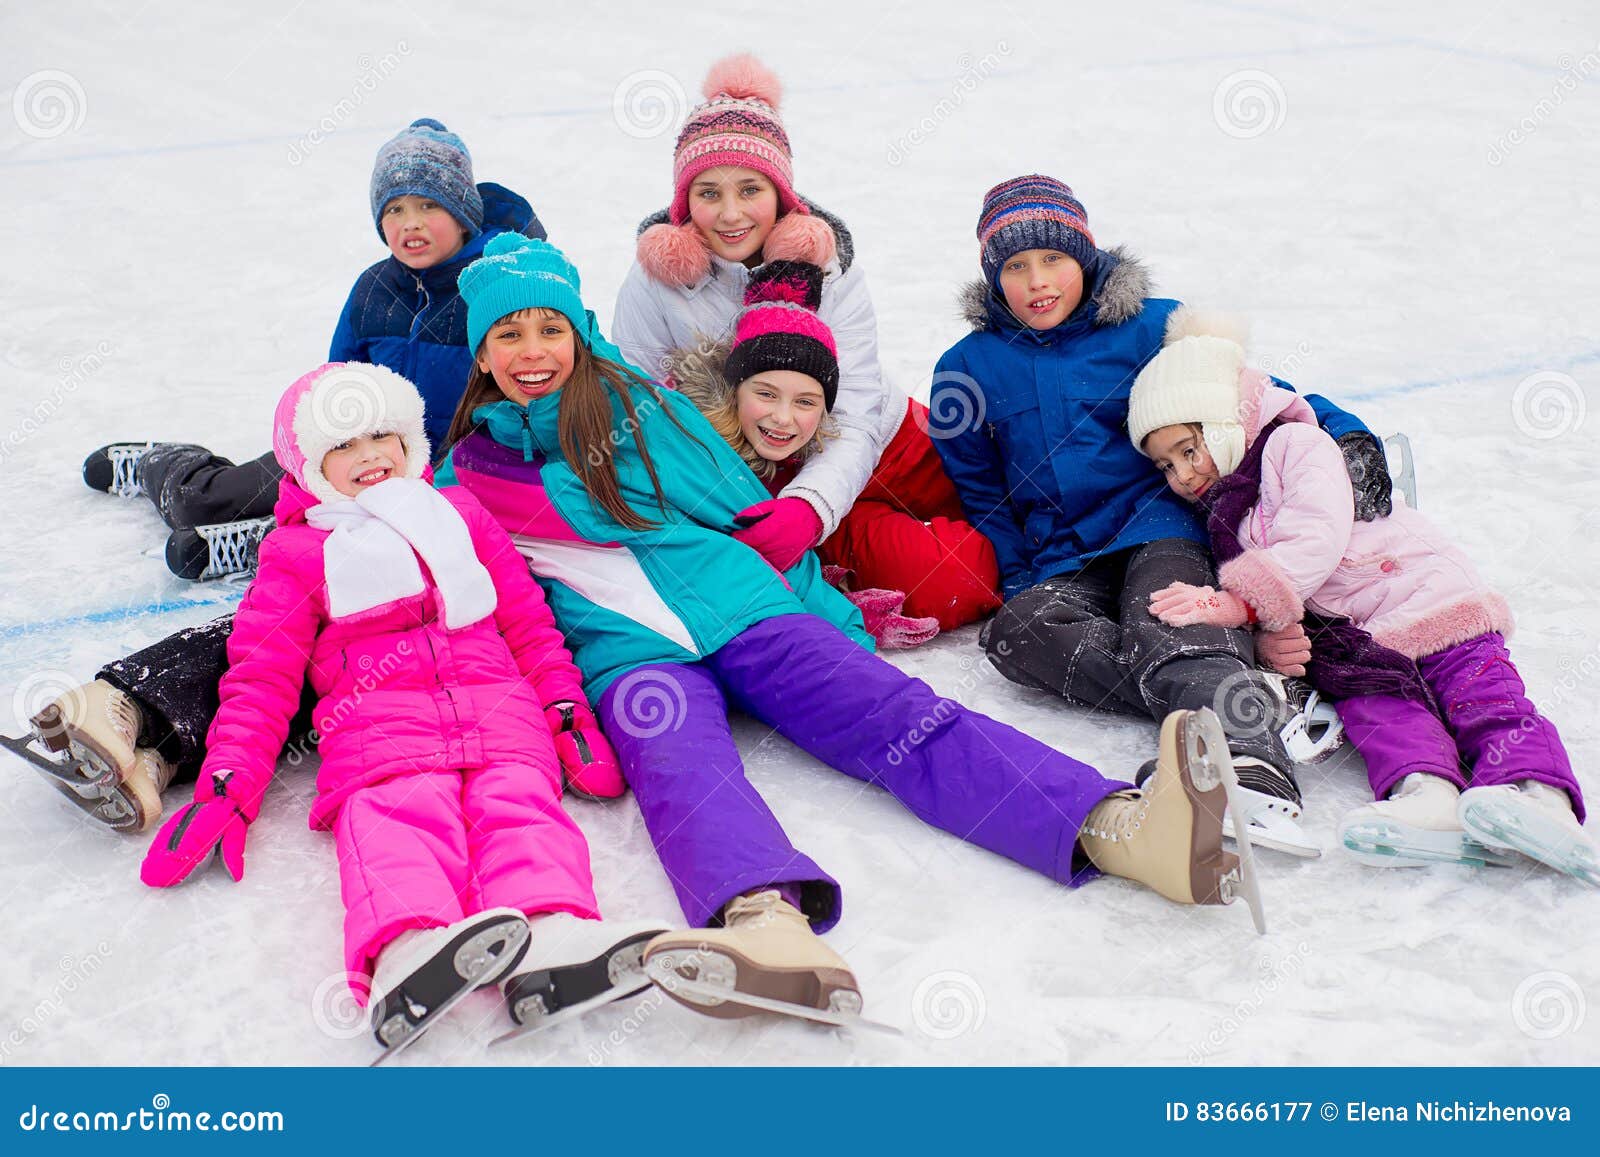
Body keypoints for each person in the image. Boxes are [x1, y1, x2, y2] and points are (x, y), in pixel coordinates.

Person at [440, 233, 1264, 1023]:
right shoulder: (468, 476)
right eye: (509, 334)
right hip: (625, 656)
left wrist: (825, 613)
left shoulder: (638, 409)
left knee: (898, 716)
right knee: (678, 768)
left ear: (578, 334)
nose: (533, 349)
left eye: (549, 327)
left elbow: (743, 511)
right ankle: (764, 923)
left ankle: (1116, 828)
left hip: (742, 607)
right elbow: (487, 599)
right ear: (482, 354)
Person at [137, 361, 666, 1050]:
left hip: (500, 717)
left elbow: (529, 624)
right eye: (345, 446)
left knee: (522, 812)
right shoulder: (299, 552)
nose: (370, 457)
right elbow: (261, 677)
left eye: (382, 436)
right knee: (399, 823)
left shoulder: (458, 514)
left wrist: (566, 712)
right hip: (380, 735)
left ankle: (554, 938)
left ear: (409, 440)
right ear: (309, 464)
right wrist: (227, 785)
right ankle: (409, 952)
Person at [932, 174, 1389, 856]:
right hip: (1062, 555)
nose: (1038, 281)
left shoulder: (1153, 325)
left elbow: (1252, 394)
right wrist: (1024, 573)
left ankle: (1249, 764)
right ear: (993, 277)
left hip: (1158, 527)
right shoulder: (966, 369)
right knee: (1017, 633)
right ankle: (1240, 687)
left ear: (1083, 258)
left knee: (1172, 613)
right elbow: (982, 489)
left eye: (1054, 259)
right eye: (1016, 266)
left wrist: (1346, 434)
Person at [1127, 310, 1596, 884]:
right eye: (1166, 465)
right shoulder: (1229, 510)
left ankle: (1536, 793)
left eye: (1188, 449)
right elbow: (1286, 588)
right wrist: (1274, 634)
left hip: (1430, 601)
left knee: (1483, 696)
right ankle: (1426, 794)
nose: (1181, 474)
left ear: (1221, 422)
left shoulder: (1294, 446)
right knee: (1378, 713)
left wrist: (1241, 603)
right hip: (1362, 640)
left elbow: (1315, 538)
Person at [80, 117, 543, 580]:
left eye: (429, 206)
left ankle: (265, 543)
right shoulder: (376, 289)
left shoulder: (498, 290)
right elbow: (336, 387)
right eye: (395, 209)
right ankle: (162, 465)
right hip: (357, 458)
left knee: (411, 538)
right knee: (205, 502)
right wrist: (325, 462)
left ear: (463, 215)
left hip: (451, 474)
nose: (411, 223)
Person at [663, 260, 1000, 644]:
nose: (783, 418)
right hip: (830, 515)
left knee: (999, 509)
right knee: (955, 578)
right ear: (733, 391)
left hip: (884, 454)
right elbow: (710, 570)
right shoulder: (702, 449)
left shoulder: (861, 417)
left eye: (805, 401)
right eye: (766, 394)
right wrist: (840, 607)